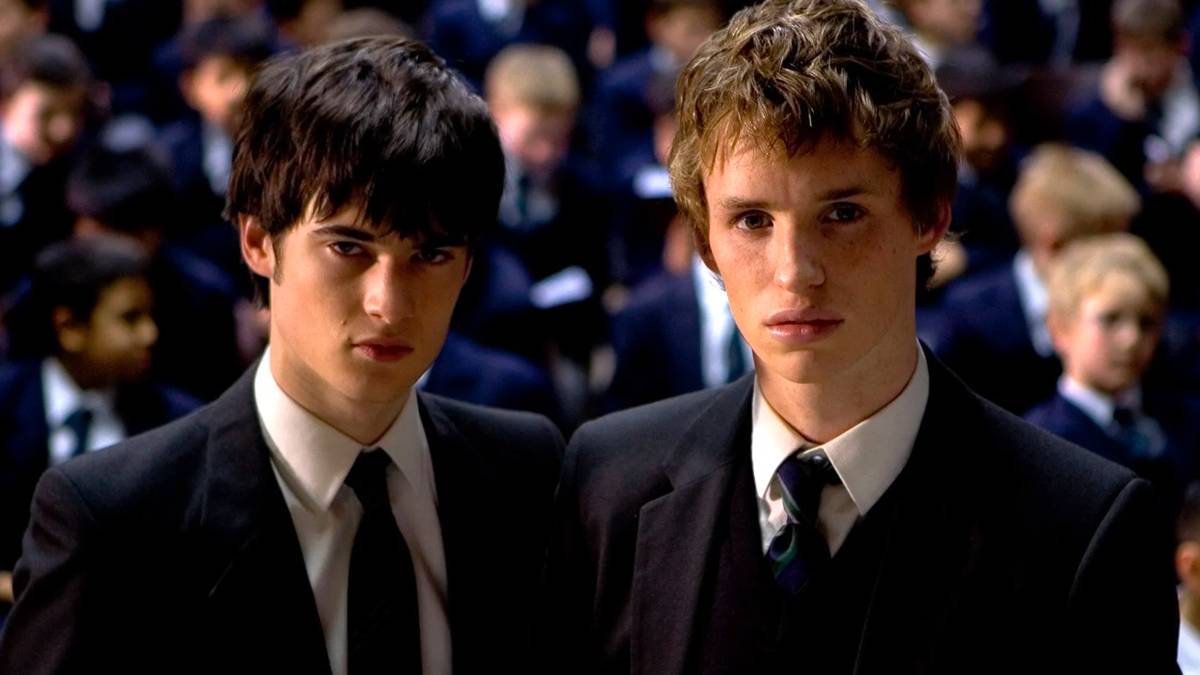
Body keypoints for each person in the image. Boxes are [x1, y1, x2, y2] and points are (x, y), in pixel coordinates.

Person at [546, 1, 1180, 673]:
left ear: (931, 215)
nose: (795, 272)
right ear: (705, 240)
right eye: (752, 220)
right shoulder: (610, 485)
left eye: (842, 213)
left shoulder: (1083, 526)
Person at [0, 36, 564, 675]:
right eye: (348, 248)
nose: (388, 303)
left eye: (430, 255)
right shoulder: (114, 522)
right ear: (258, 241)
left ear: (467, 267)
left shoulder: (526, 472)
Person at [0, 235, 199, 624]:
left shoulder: (176, 420)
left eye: (149, 316)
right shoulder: (6, 403)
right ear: (69, 327)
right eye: (129, 319)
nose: (149, 334)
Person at [1026, 233, 1198, 510]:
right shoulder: (1040, 440)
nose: (1131, 339)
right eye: (1110, 319)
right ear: (1060, 330)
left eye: (1147, 323)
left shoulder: (1184, 419)